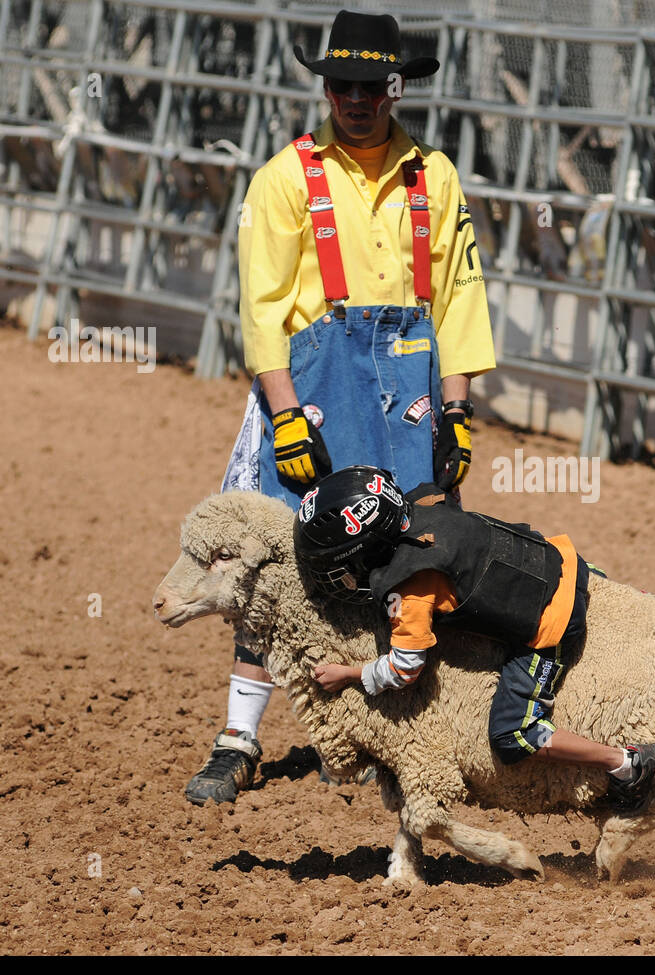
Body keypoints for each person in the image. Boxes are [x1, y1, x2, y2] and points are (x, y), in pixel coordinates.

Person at [188, 10, 496, 804]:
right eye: (341, 84)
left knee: (418, 549)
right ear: (324, 87)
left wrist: (457, 412)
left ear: (396, 87)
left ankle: (381, 729)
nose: (355, 99)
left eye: (371, 84)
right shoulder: (284, 180)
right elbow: (263, 311)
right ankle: (238, 736)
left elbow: (459, 296)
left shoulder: (436, 176)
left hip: (411, 390)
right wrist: (286, 416)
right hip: (315, 390)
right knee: (277, 556)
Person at [295, 466, 655, 813]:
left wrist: (348, 674)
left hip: (551, 619)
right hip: (562, 560)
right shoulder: (425, 500)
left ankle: (627, 764)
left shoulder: (410, 588)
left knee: (513, 736)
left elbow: (406, 667)